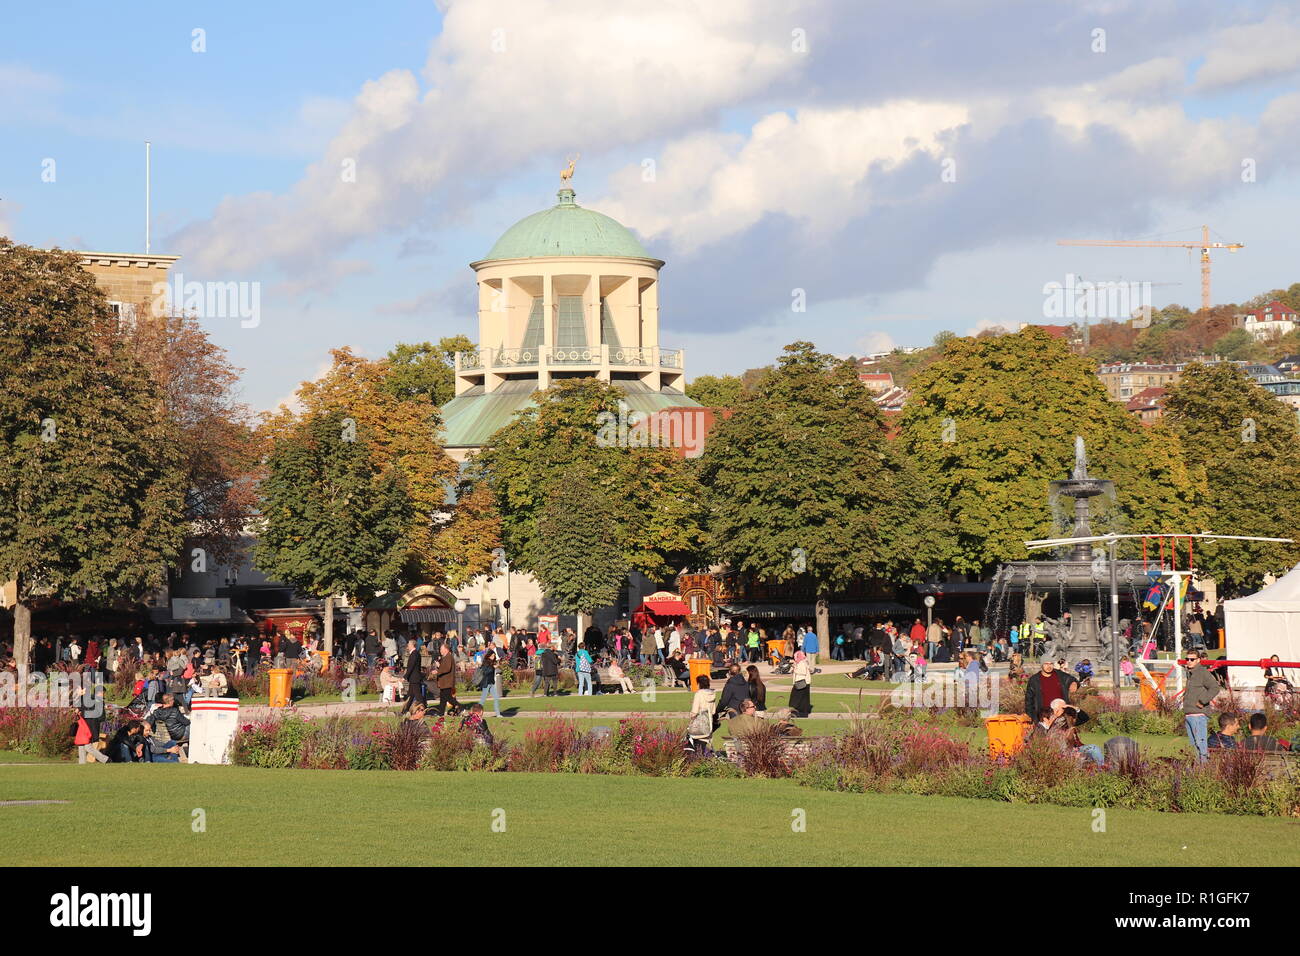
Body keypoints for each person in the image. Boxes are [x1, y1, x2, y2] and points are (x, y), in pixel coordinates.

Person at [1181, 649, 1220, 762]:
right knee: (1194, 745)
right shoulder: (1191, 673)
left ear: (1198, 660)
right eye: (1187, 659)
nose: (1189, 661)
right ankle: (1199, 770)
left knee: (1201, 744)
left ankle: (1204, 769)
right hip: (1189, 714)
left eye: (1192, 659)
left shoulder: (1202, 672)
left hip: (1198, 714)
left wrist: (1202, 701)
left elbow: (1215, 688)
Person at [687, 675, 717, 754]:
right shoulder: (712, 694)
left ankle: (697, 760)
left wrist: (691, 717)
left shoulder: (699, 694)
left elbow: (694, 711)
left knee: (696, 743)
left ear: (699, 684)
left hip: (699, 724)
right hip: (708, 723)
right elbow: (713, 711)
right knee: (703, 743)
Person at [434, 640, 460, 716]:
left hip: (447, 682)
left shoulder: (448, 657)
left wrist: (437, 671)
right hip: (444, 682)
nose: (440, 651)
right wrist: (439, 666)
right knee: (443, 699)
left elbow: (447, 669)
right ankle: (440, 713)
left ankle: (461, 707)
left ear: (446, 649)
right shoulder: (445, 657)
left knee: (449, 698)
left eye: (441, 649)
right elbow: (444, 668)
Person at [400, 639, 426, 714]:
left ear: (412, 645)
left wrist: (404, 677)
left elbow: (411, 667)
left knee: (418, 696)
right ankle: (405, 710)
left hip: (415, 678)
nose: (407, 645)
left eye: (408, 644)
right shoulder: (414, 653)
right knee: (410, 696)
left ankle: (424, 709)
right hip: (413, 678)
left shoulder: (414, 654)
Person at [477, 647, 503, 717]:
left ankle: (498, 714)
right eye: (492, 655)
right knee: (482, 700)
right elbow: (485, 672)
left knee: (496, 698)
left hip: (491, 683)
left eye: (494, 655)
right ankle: (476, 713)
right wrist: (493, 667)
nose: (493, 657)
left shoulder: (491, 662)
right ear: (488, 656)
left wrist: (495, 666)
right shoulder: (485, 662)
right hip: (486, 683)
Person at [789, 651, 813, 717]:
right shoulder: (801, 662)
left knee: (795, 698)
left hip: (801, 682)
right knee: (803, 699)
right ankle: (802, 712)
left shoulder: (802, 663)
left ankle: (795, 712)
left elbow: (802, 672)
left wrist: (795, 669)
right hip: (803, 683)